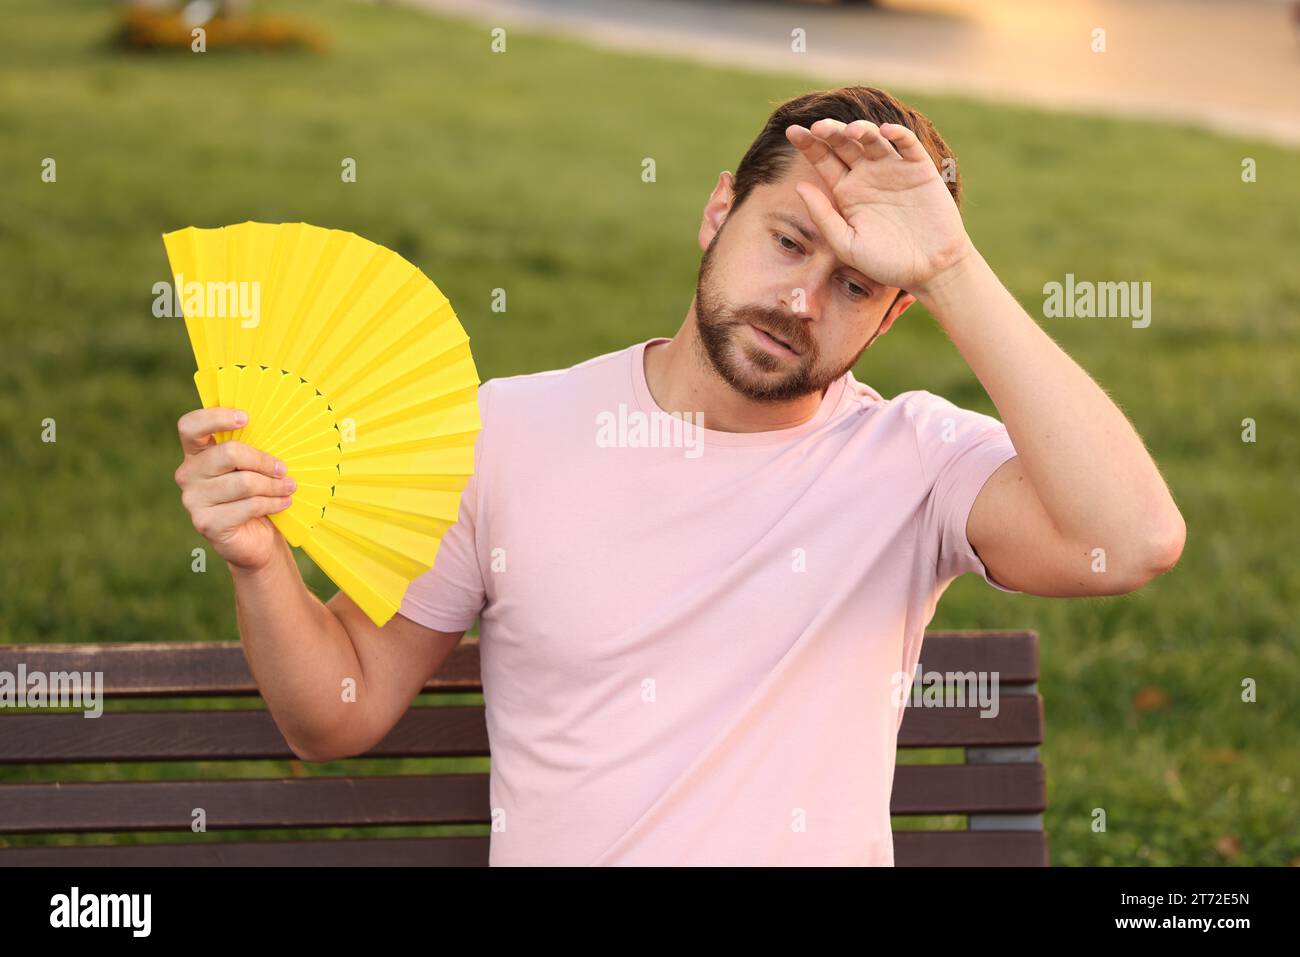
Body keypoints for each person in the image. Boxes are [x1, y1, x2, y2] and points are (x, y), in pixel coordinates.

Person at [172, 86, 1186, 866]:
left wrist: (953, 268)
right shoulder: (507, 431)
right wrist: (261, 565)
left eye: (858, 283)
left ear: (895, 313)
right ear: (717, 212)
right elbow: (335, 713)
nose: (799, 299)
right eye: (787, 240)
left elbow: (1133, 540)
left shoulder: (916, 462)